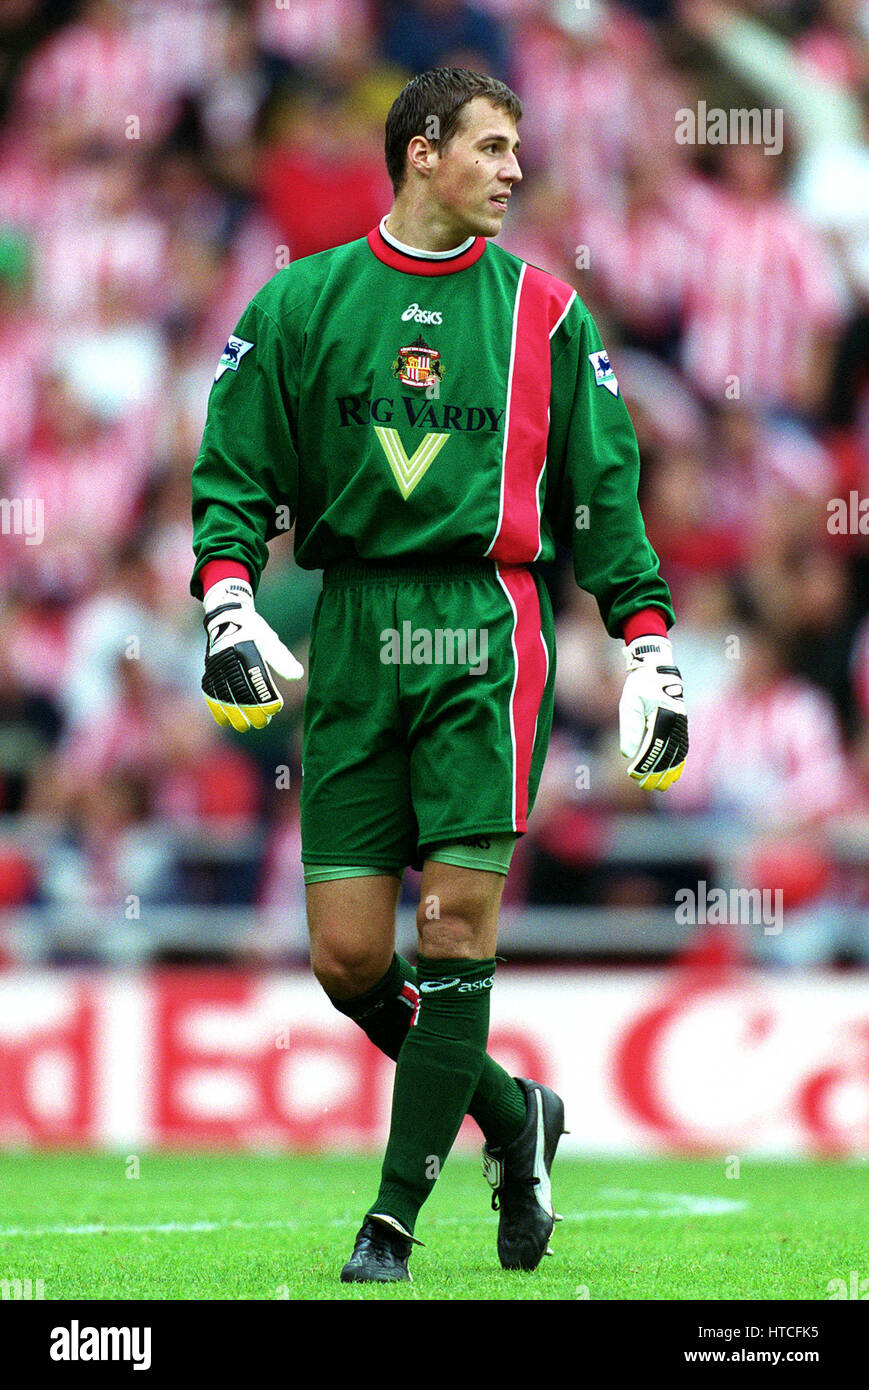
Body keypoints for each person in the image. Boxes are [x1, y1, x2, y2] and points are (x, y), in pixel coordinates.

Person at [190, 67, 688, 1284]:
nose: (515, 171)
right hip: (356, 626)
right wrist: (226, 596)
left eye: (517, 150)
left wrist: (648, 643)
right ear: (421, 152)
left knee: (453, 922)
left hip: (485, 626)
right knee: (348, 959)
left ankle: (389, 1223)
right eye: (492, 147)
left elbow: (602, 498)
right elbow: (234, 470)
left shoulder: (548, 314)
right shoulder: (302, 301)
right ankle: (517, 1121)